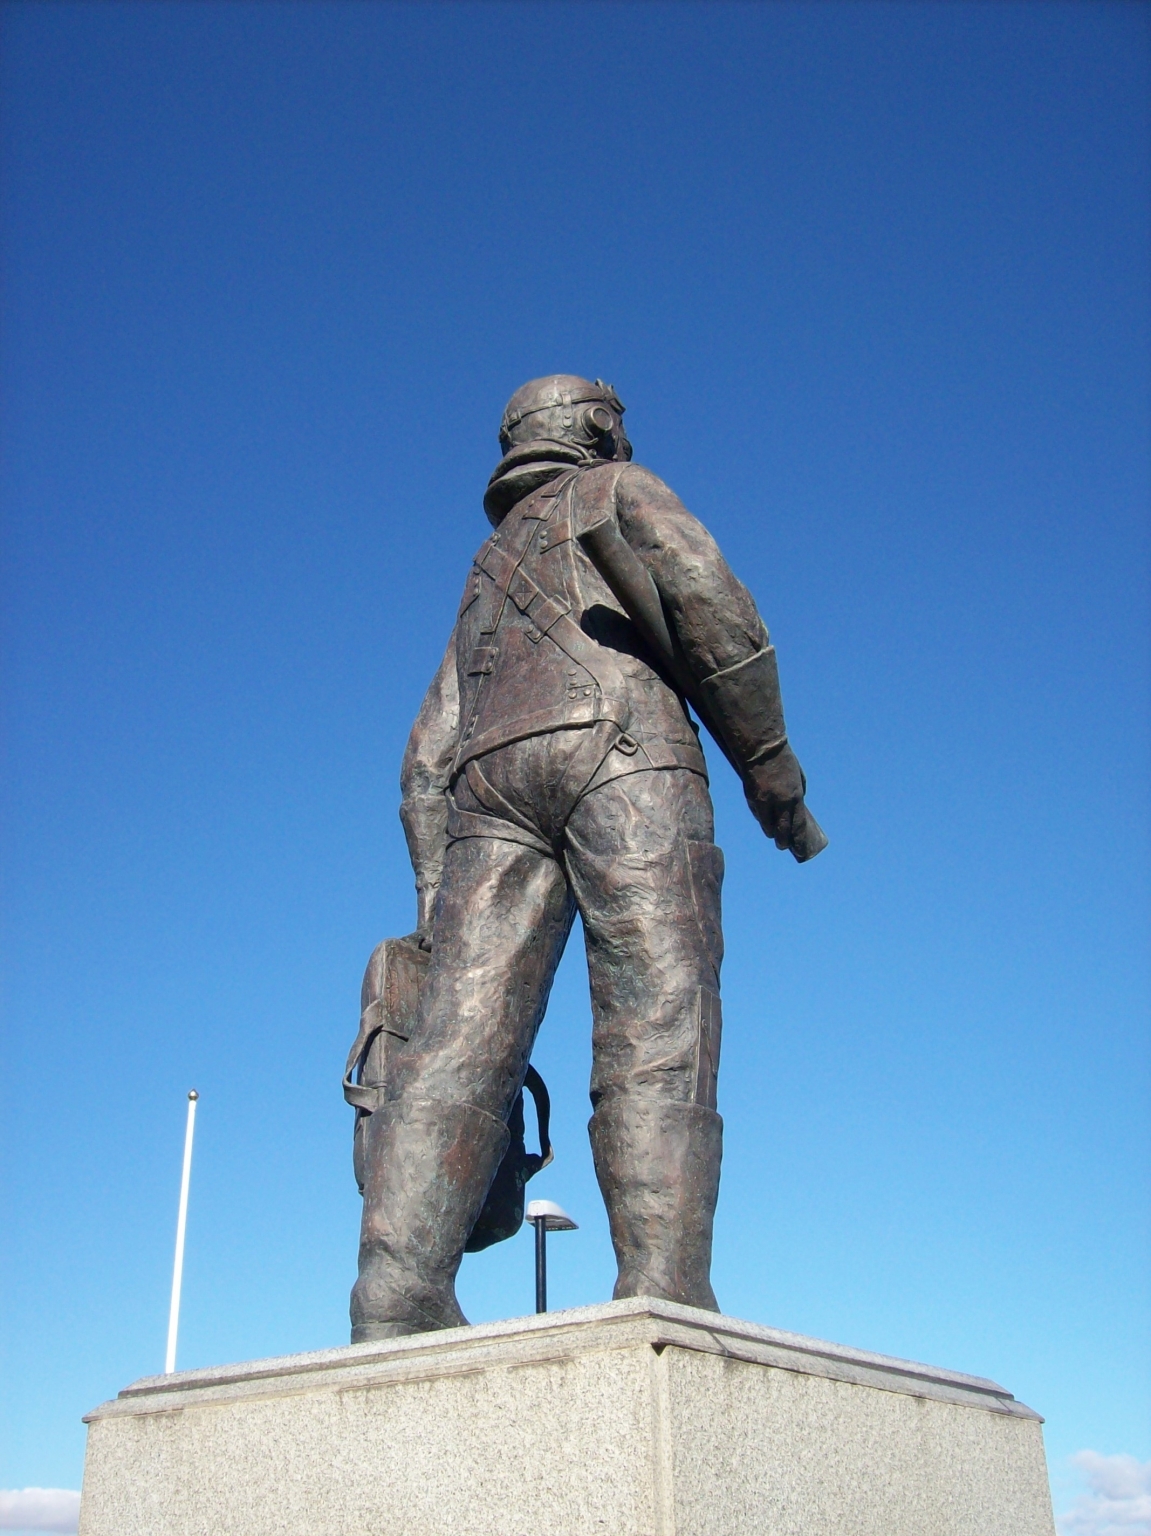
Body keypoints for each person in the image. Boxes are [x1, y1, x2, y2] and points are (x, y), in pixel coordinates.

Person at [351, 375, 824, 1341]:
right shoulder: (620, 490)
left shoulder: (488, 565)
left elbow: (424, 757)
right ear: (602, 431)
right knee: (659, 1013)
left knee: (457, 1039)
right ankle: (663, 1283)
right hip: (627, 758)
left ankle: (396, 1292)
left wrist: (442, 902)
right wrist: (770, 767)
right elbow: (711, 605)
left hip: (488, 792)